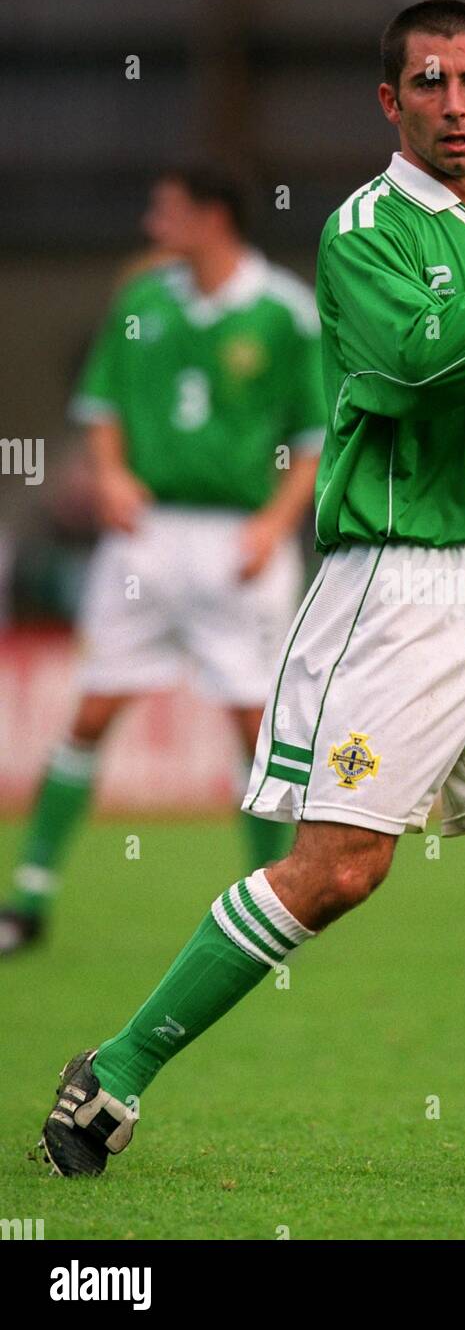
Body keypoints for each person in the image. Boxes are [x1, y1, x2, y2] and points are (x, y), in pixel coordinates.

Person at [38, 1, 465, 1186]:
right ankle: (118, 1068)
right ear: (389, 101)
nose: (454, 104)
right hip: (406, 582)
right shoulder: (364, 233)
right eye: (430, 83)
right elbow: (422, 362)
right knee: (342, 867)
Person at [1, 167, 326, 956]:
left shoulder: (285, 311)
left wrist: (276, 524)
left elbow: (316, 437)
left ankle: (271, 909)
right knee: (92, 710)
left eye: (167, 210)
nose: (154, 223)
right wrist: (111, 475)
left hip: (239, 539)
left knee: (253, 724)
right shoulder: (142, 300)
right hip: (146, 536)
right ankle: (29, 897)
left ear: (212, 217)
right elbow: (102, 407)